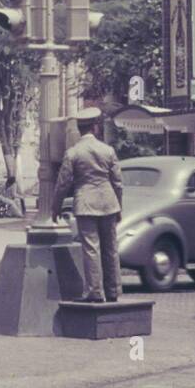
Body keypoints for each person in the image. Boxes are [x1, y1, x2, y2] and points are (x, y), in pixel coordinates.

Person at [53, 109, 123, 303]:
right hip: (109, 203)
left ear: (78, 129)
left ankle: (94, 292)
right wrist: (119, 207)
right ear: (95, 127)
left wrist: (55, 207)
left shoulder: (73, 152)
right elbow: (118, 182)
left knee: (91, 249)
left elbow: (63, 183)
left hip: (85, 204)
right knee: (111, 248)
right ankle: (113, 290)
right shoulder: (108, 150)